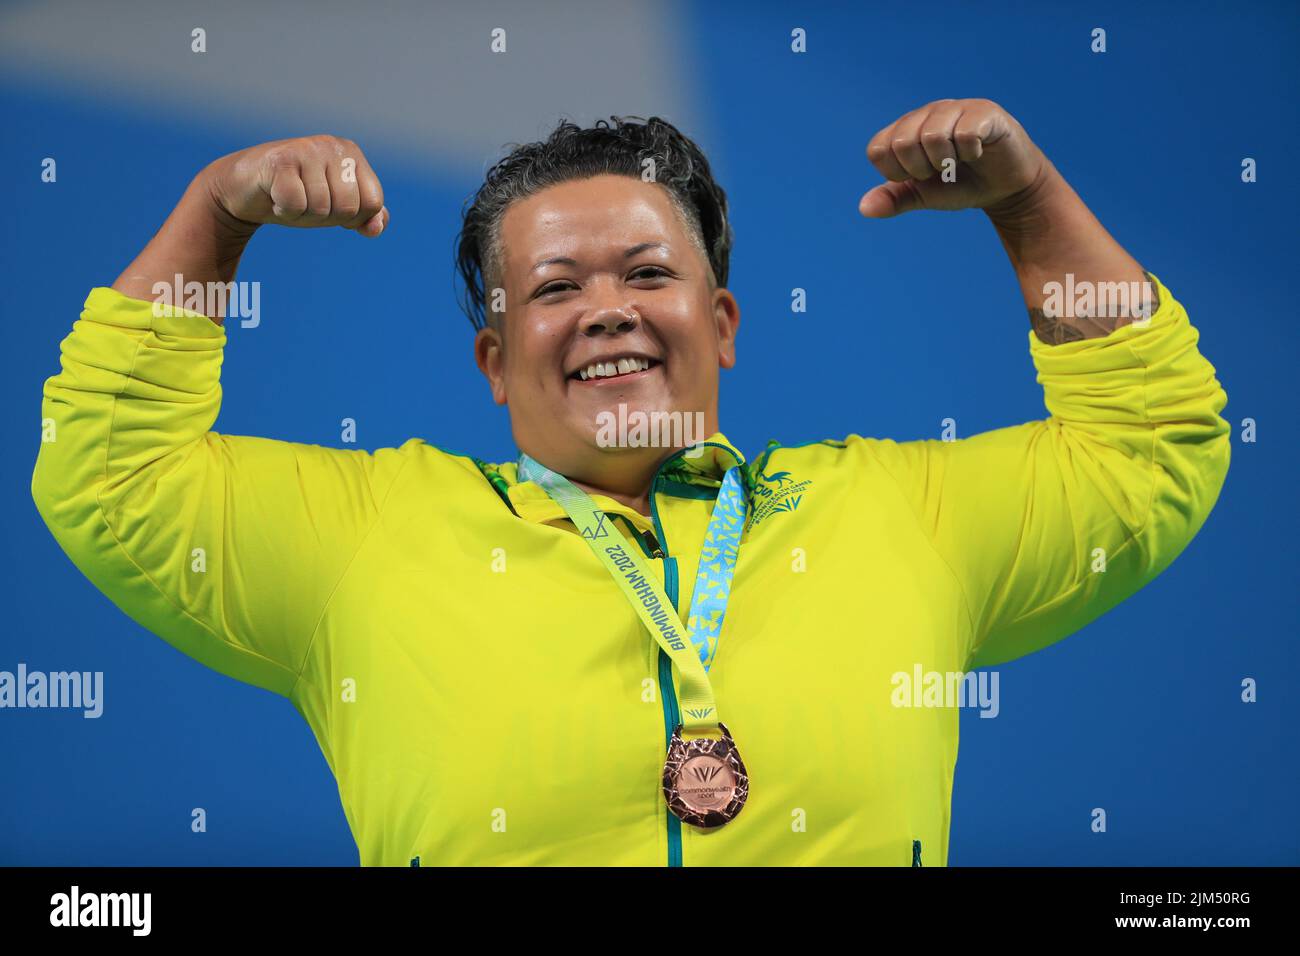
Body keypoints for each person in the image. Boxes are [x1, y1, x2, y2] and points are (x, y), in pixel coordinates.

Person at [31, 101, 1230, 866]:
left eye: (647, 272)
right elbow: (108, 470)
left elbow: (1151, 444)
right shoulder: (371, 541)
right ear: (496, 364)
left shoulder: (895, 518)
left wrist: (1027, 205)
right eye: (554, 287)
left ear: (721, 323)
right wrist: (213, 218)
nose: (605, 304)